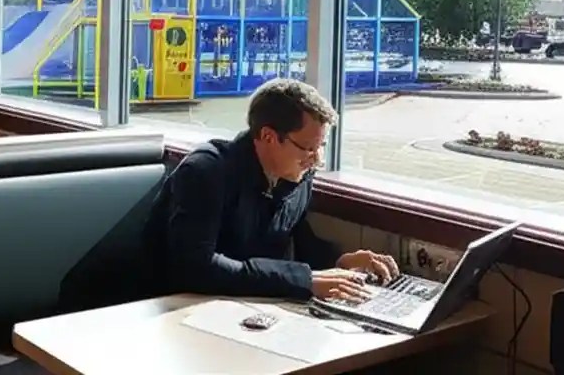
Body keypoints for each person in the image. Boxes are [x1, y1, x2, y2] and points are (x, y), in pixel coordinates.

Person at [145, 78, 397, 302]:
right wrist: (303, 281)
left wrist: (340, 262)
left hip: (247, 303)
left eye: (322, 146)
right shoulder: (205, 172)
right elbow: (195, 268)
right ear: (268, 137)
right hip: (175, 306)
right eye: (309, 148)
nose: (317, 160)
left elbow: (296, 239)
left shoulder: (297, 174)